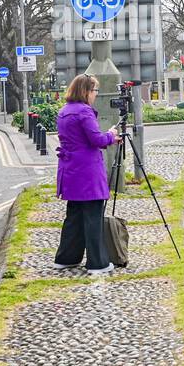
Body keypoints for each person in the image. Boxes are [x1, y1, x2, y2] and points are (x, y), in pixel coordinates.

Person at [53, 74, 121, 275]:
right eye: (95, 91)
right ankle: (97, 263)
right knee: (93, 216)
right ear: (86, 91)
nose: (96, 95)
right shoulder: (84, 112)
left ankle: (66, 258)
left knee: (73, 216)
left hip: (70, 169)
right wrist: (111, 136)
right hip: (87, 171)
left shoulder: (64, 111)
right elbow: (96, 140)